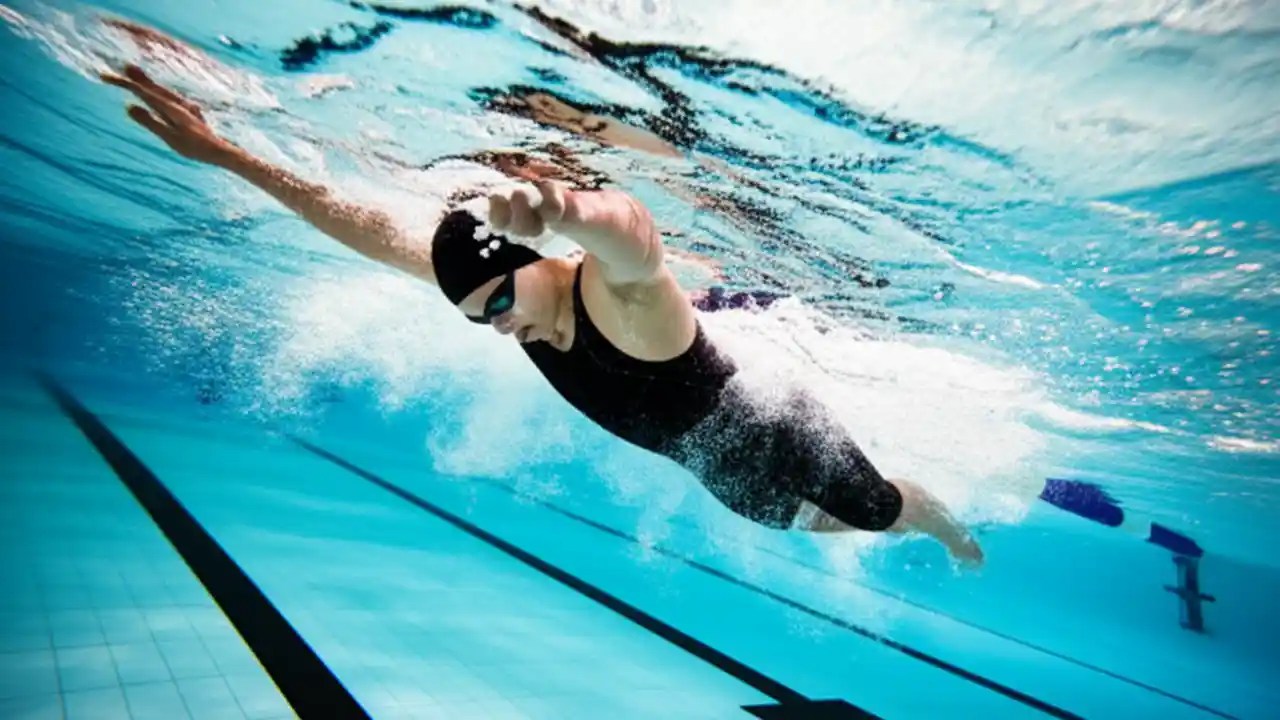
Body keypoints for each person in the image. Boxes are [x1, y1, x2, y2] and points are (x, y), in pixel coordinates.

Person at [100, 64, 983, 565]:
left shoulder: (619, 302)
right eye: (477, 316)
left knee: (870, 513)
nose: (497, 327)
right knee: (792, 526)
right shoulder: (510, 293)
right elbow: (363, 227)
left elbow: (637, 243)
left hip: (768, 420)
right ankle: (904, 512)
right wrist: (224, 153)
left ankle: (936, 517)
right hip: (705, 459)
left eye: (499, 302)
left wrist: (566, 209)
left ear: (544, 265)